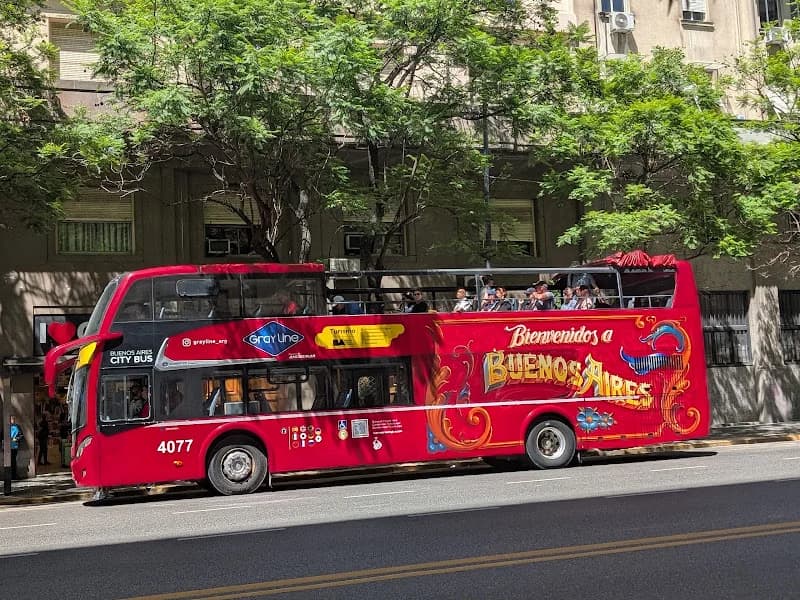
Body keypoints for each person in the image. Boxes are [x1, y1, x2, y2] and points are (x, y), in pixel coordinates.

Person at [8, 415, 22, 480]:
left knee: (13, 460)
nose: (12, 420)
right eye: (11, 419)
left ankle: (14, 475)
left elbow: (21, 435)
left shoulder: (17, 426)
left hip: (15, 446)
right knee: (10, 461)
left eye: (13, 419)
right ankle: (11, 475)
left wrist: (16, 439)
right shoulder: (7, 427)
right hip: (8, 446)